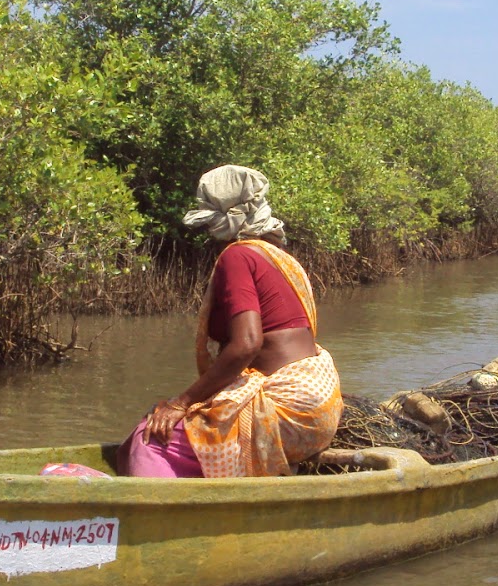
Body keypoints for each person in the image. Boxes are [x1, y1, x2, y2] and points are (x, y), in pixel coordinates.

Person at [119, 165, 344, 478]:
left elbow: (247, 345)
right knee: (166, 425)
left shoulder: (237, 256)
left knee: (150, 440)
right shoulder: (280, 256)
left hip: (289, 411)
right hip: (321, 405)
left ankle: (159, 521)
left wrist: (181, 402)